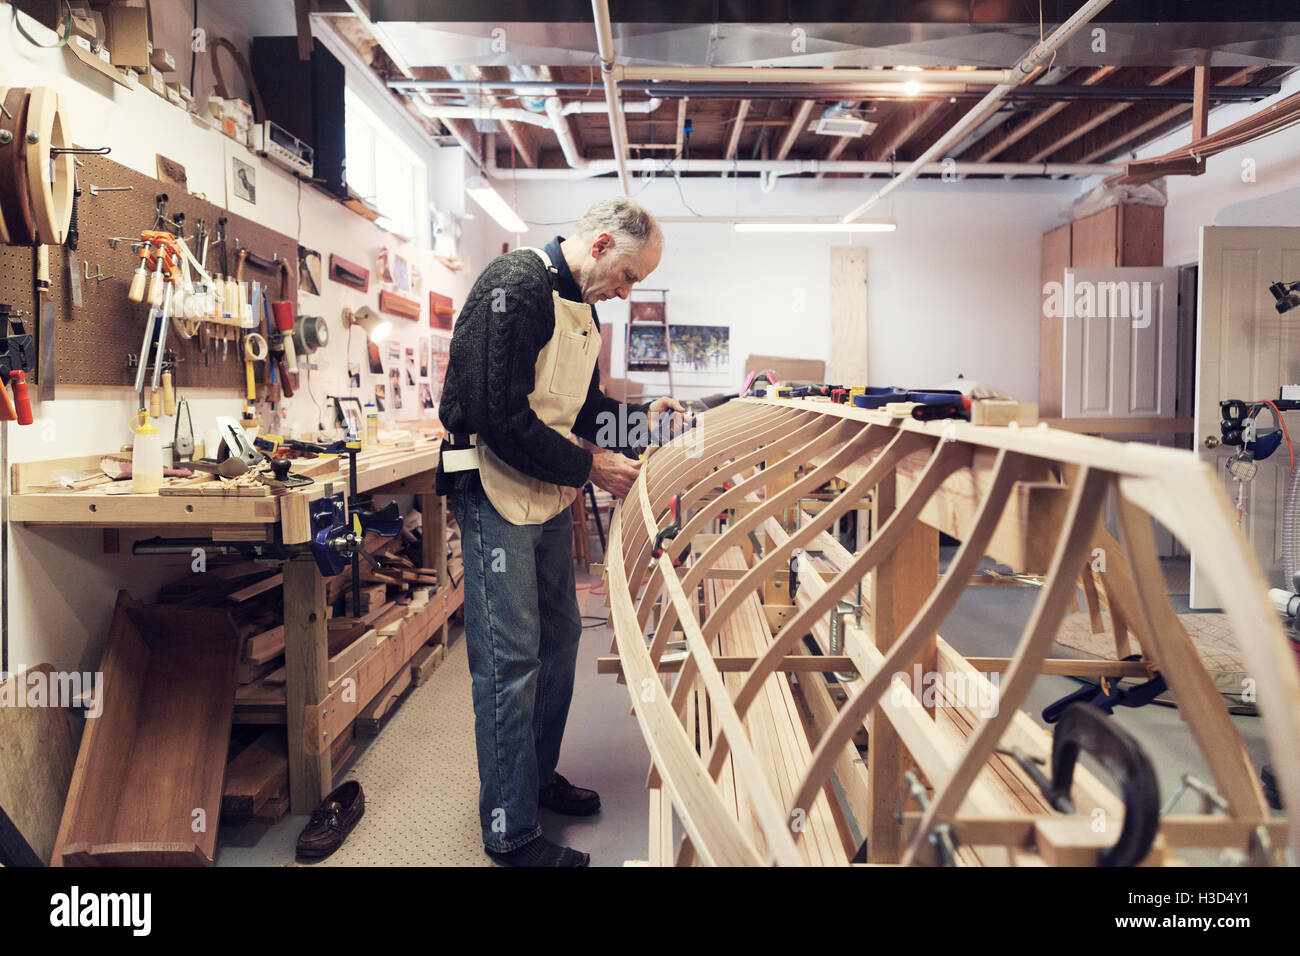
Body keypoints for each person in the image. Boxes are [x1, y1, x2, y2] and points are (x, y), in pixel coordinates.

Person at [436, 198, 683, 867]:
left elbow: (586, 407)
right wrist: (592, 468)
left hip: (541, 489)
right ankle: (509, 831)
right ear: (601, 243)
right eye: (629, 276)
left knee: (562, 636)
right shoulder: (514, 287)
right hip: (490, 486)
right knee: (510, 658)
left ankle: (535, 779)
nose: (627, 293)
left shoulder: (583, 304)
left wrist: (643, 425)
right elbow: (497, 417)